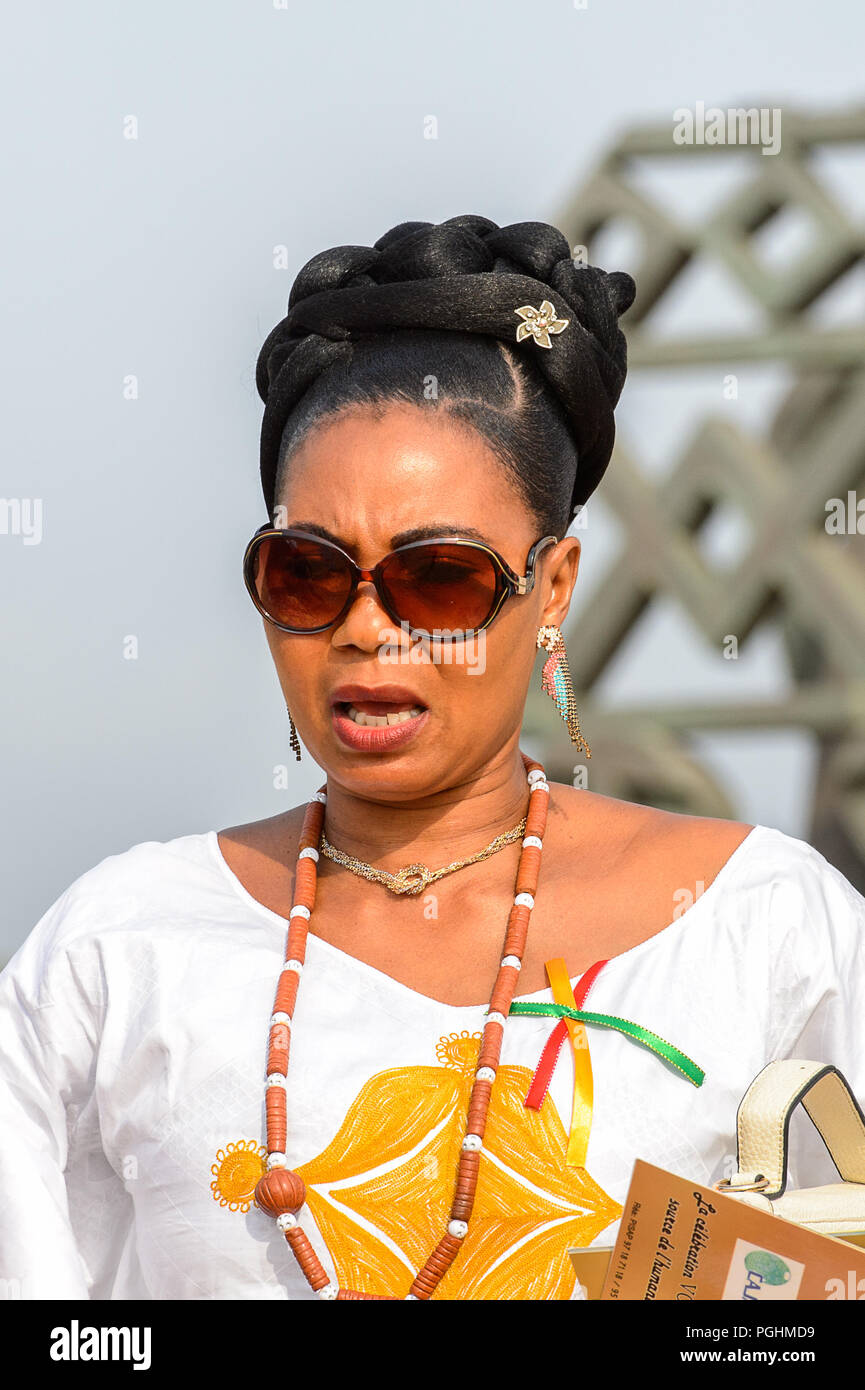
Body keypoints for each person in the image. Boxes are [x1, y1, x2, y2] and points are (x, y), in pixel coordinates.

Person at [1, 213, 863, 1302]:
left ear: (552, 588)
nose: (367, 628)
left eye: (439, 578)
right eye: (309, 573)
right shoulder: (116, 954)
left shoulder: (767, 930)